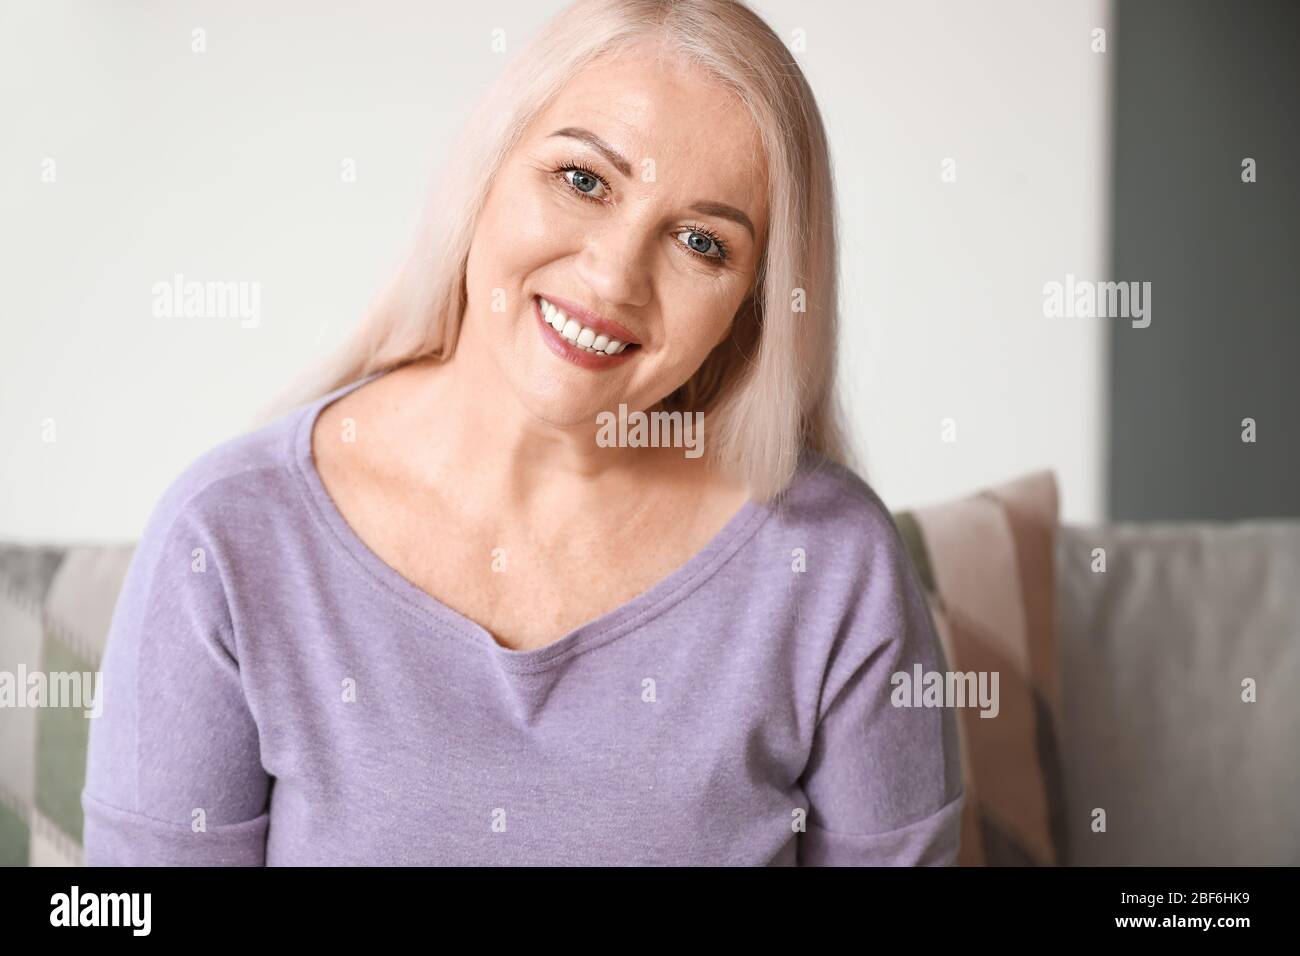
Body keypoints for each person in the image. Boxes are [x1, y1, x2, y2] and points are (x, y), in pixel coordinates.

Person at [82, 0, 964, 866]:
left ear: (749, 311)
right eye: (584, 181)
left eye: (700, 242)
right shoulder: (227, 535)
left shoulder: (830, 564)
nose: (614, 277)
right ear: (487, 172)